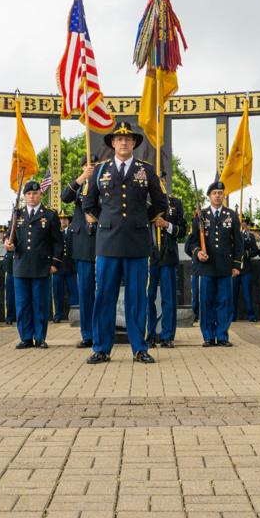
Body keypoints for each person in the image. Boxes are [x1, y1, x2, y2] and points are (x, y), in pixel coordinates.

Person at [80, 122, 167, 364]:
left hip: (138, 242)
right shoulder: (100, 170)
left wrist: (142, 220)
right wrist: (107, 221)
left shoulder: (146, 170)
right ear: (113, 144)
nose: (124, 142)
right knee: (104, 296)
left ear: (134, 143)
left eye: (128, 139)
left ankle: (140, 347)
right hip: (107, 243)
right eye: (119, 139)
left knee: (138, 297)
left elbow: (161, 203)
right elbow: (88, 203)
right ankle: (101, 348)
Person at [4, 180, 61, 349]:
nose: (32, 197)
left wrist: (55, 263)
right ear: (24, 196)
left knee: (40, 304)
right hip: (21, 266)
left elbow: (58, 242)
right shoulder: (17, 215)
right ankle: (26, 337)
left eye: (35, 194)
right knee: (22, 304)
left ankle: (40, 337)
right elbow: (9, 238)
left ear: (40, 195)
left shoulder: (50, 215)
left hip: (41, 266)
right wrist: (9, 245)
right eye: (28, 194)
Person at [188, 180, 243, 347]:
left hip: (225, 266)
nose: (217, 196)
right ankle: (208, 336)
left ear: (223, 196)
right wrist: (198, 252)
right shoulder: (201, 216)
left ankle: (222, 336)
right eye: (214, 193)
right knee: (207, 302)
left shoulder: (231, 215)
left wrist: (236, 265)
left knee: (224, 302)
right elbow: (191, 243)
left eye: (220, 193)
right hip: (206, 267)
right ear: (209, 196)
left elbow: (238, 243)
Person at [62, 160, 98, 348]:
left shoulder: (103, 183)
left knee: (104, 292)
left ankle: (103, 332)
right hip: (83, 244)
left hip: (102, 242)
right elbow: (64, 197)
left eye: (95, 165)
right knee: (85, 292)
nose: (91, 168)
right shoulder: (79, 185)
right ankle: (88, 334)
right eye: (87, 166)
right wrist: (82, 178)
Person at [147, 176, 186, 347]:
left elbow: (182, 230)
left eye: (162, 180)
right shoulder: (144, 202)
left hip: (168, 255)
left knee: (168, 297)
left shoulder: (175, 203)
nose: (160, 183)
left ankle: (167, 335)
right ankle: (149, 334)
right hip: (148, 255)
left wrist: (166, 225)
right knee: (148, 297)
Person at [49, 212, 76, 322]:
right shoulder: (55, 233)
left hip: (70, 267)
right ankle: (58, 315)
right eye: (61, 219)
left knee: (74, 293)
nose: (63, 221)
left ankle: (75, 315)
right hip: (58, 267)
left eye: (65, 219)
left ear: (69, 221)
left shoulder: (73, 232)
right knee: (57, 293)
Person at [234, 217, 259, 321]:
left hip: (246, 268)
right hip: (234, 268)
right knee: (232, 294)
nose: (243, 224)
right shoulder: (232, 234)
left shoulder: (250, 236)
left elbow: (255, 251)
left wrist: (246, 254)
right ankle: (232, 316)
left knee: (247, 294)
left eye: (244, 222)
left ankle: (251, 315)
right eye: (241, 222)